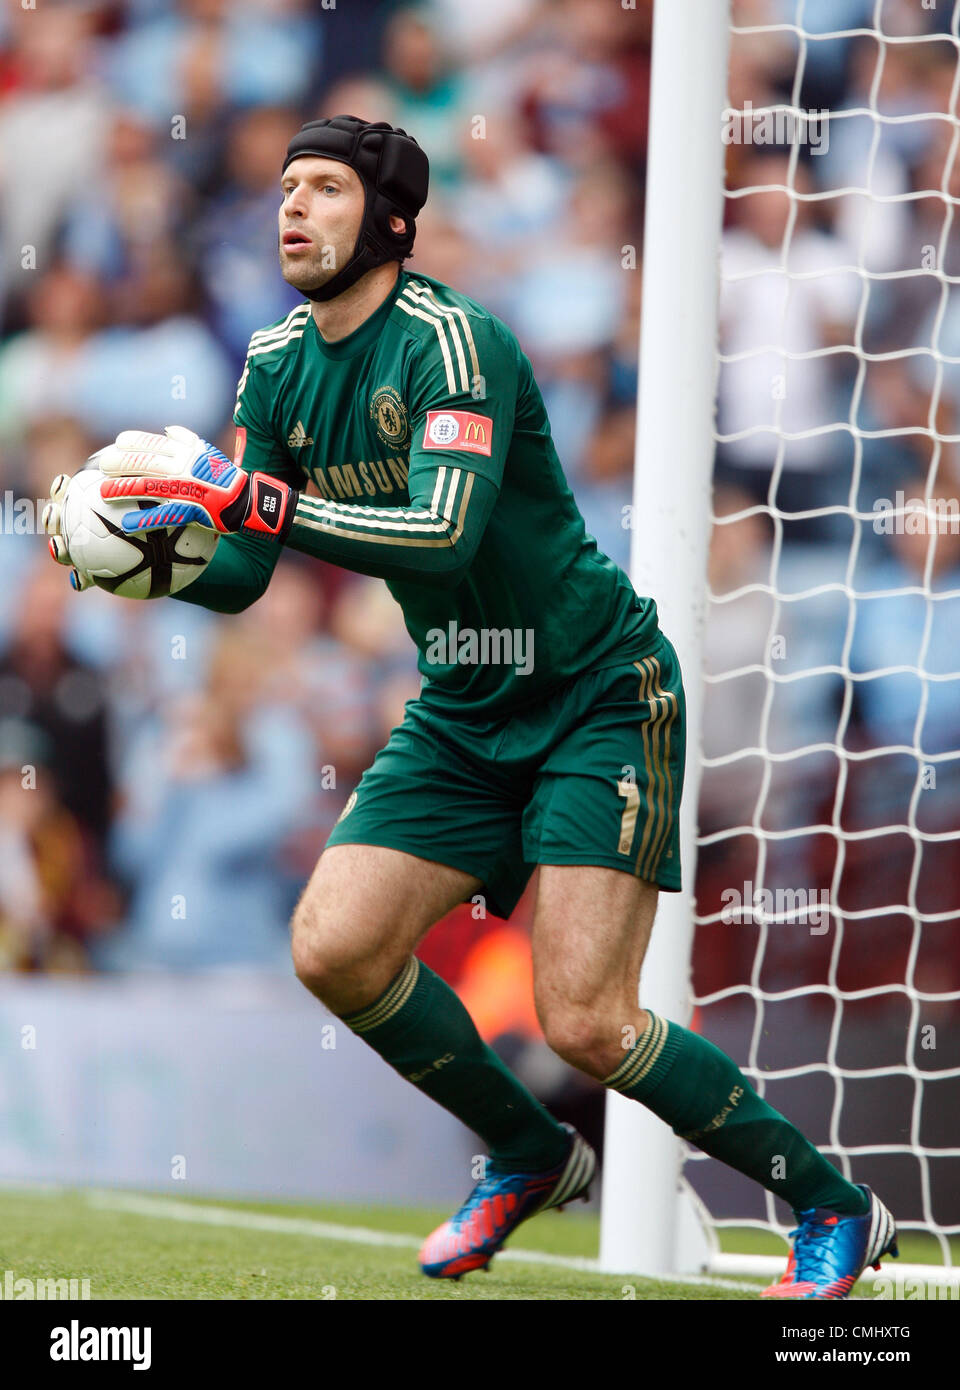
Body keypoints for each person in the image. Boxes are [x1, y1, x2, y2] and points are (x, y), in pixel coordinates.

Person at [43, 115, 897, 1296]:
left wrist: (242, 499)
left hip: (599, 691)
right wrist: (151, 552)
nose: (293, 209)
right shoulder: (277, 363)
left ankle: (832, 1201)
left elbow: (441, 536)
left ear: (389, 220)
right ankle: (532, 1148)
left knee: (586, 1020)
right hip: (464, 706)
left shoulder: (456, 343)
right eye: (287, 188)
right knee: (333, 946)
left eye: (326, 190)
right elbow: (244, 575)